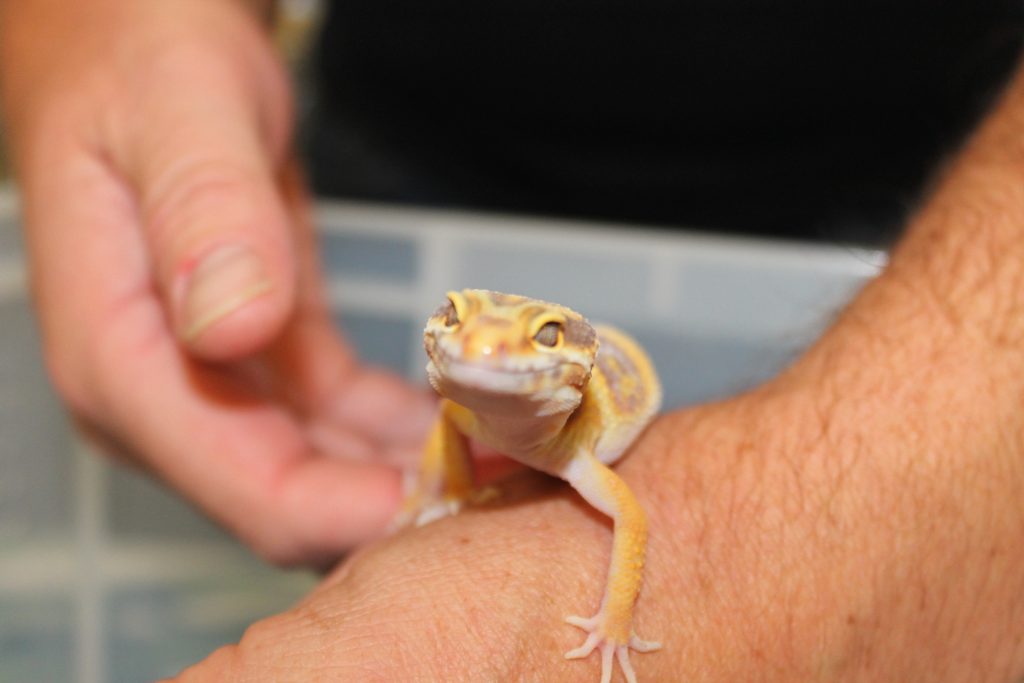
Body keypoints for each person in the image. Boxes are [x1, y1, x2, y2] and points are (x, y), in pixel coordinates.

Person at [2, 0, 1023, 680]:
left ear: (570, 361)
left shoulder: (586, 452)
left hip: (916, 186)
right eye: (455, 328)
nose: (484, 351)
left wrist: (616, 624)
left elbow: (629, 531)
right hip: (397, 139)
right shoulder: (464, 402)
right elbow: (458, 414)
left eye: (526, 340)